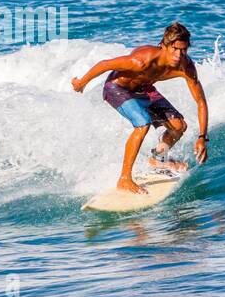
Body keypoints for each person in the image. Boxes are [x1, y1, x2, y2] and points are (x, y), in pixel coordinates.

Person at [71, 22, 210, 195]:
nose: (178, 55)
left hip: (144, 89)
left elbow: (201, 102)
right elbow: (105, 64)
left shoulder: (186, 66)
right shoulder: (141, 61)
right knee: (143, 123)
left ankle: (158, 158)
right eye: (174, 49)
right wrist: (81, 82)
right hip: (117, 89)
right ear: (164, 45)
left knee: (179, 126)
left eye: (183, 50)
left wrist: (203, 137)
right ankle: (124, 179)